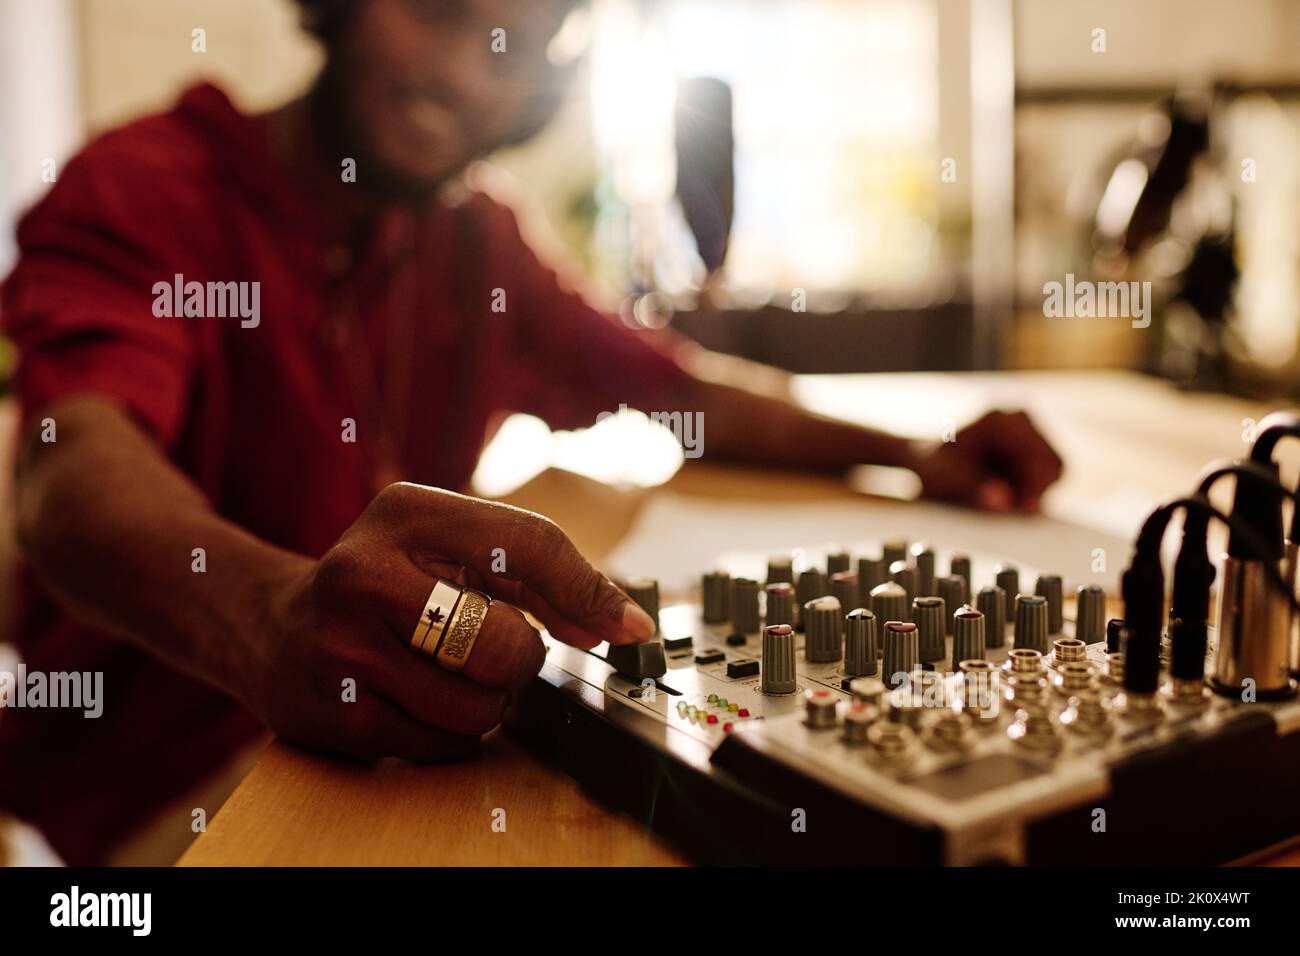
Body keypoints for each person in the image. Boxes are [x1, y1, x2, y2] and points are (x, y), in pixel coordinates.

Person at [0, 0, 1062, 864]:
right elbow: (68, 474)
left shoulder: (476, 240)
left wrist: (911, 451)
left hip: (388, 730)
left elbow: (673, 387)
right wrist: (269, 610)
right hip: (155, 788)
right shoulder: (143, 187)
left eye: (510, 44)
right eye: (438, 12)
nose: (466, 75)